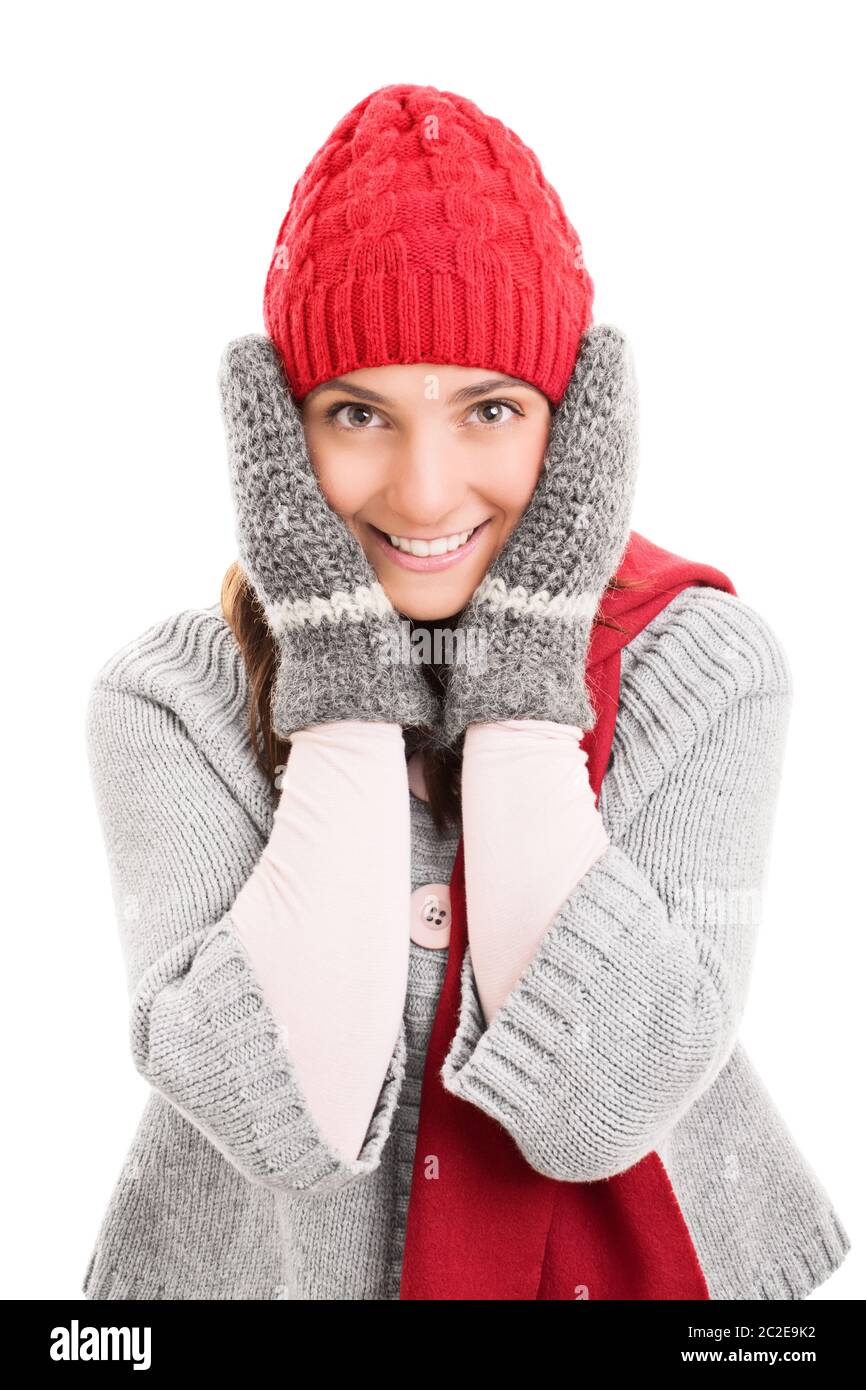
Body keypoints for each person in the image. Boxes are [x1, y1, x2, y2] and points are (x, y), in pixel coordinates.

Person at [81, 82, 850, 1301]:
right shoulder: (170, 703)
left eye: (490, 408)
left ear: (577, 425)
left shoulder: (708, 667)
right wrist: (337, 674)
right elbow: (299, 1120)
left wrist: (526, 662)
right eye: (357, 414)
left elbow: (606, 1099)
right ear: (277, 439)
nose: (427, 491)